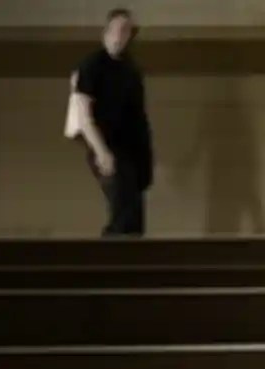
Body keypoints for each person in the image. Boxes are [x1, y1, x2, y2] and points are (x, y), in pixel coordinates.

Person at [70, 7, 153, 236]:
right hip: (107, 145)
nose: (119, 36)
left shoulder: (131, 70)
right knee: (121, 212)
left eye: (125, 31)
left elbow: (139, 117)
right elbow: (84, 116)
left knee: (135, 215)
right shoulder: (92, 65)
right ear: (105, 33)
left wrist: (146, 159)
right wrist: (101, 151)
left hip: (132, 150)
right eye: (116, 30)